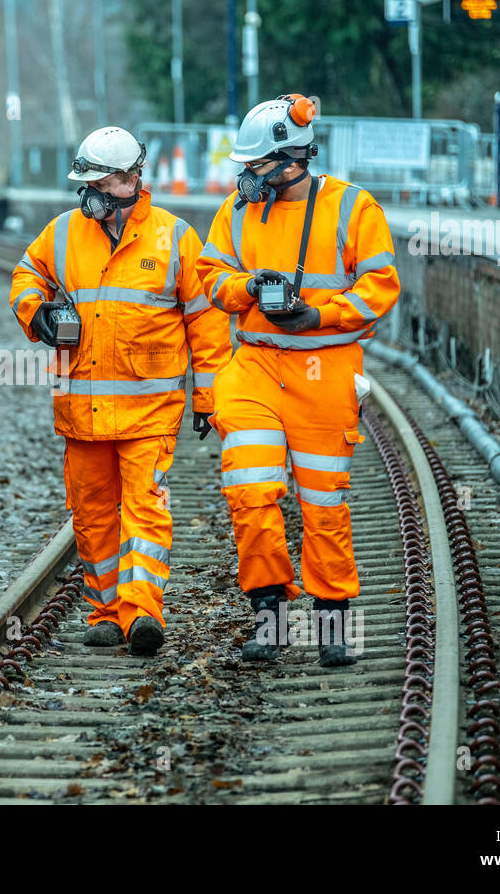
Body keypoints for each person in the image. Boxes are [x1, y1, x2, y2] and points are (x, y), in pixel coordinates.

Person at [194, 94, 400, 667]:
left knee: (323, 500)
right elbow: (211, 277)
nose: (244, 177)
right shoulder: (236, 211)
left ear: (291, 160)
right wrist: (246, 289)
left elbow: (380, 285)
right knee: (250, 489)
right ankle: (272, 617)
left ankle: (334, 621)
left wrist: (321, 315)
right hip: (256, 363)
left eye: (254, 167)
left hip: (327, 365)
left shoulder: (354, 209)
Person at [9, 126, 231, 656]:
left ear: (131, 179)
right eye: (84, 180)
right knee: (90, 513)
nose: (88, 190)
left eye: (99, 180)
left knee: (143, 510)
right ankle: (105, 611)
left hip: (149, 410)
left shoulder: (175, 238)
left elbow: (206, 323)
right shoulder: (62, 233)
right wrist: (35, 313)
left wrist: (208, 397)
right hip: (82, 408)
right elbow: (25, 277)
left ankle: (142, 611)